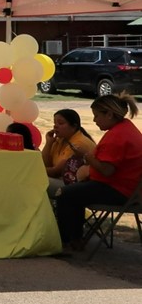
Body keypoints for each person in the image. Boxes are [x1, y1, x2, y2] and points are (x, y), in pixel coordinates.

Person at [54, 93, 142, 251]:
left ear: (109, 114)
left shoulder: (118, 136)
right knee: (75, 192)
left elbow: (107, 170)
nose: (94, 120)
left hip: (119, 190)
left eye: (96, 116)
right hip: (126, 187)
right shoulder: (125, 128)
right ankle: (75, 238)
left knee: (64, 193)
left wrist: (86, 157)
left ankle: (65, 241)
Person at [42, 108, 97, 196]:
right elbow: (45, 164)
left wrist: (34, 171)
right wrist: (48, 143)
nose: (55, 126)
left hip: (79, 186)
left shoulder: (78, 144)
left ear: (74, 126)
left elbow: (55, 172)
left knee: (37, 182)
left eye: (60, 123)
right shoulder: (60, 139)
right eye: (55, 123)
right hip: (65, 181)